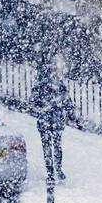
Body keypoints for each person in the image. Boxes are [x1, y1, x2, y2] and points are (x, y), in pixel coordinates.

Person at [32, 53, 71, 182]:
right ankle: (56, 170)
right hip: (53, 120)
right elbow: (66, 101)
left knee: (49, 147)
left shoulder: (41, 86)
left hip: (48, 120)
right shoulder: (57, 85)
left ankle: (52, 172)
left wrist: (43, 109)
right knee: (55, 146)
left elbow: (33, 103)